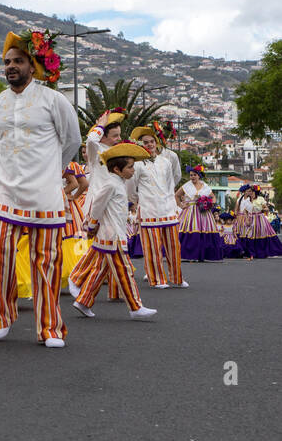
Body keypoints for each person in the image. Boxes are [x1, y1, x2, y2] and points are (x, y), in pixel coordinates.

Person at [0, 32, 81, 347]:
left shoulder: (55, 100)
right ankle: (1, 316)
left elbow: (72, 141)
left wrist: (50, 171)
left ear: (33, 65)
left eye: (18, 61)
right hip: (3, 191)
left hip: (45, 193)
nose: (11, 67)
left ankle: (49, 328)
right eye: (7, 62)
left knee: (47, 261)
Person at [69, 143, 158, 320]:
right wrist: (92, 226)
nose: (133, 170)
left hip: (112, 234)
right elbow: (96, 207)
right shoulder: (111, 184)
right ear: (117, 169)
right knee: (124, 270)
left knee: (100, 270)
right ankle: (135, 306)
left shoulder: (118, 183)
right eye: (130, 167)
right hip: (112, 235)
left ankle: (83, 301)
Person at [129, 122, 185, 288]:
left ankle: (177, 277)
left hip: (167, 207)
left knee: (174, 246)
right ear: (141, 145)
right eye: (145, 142)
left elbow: (171, 182)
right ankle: (157, 279)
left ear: (156, 142)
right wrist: (138, 200)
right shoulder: (137, 164)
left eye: (151, 141)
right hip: (149, 209)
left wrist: (170, 201)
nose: (149, 144)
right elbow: (131, 187)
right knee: (152, 248)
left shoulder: (165, 162)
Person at [176, 164, 225, 262]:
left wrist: (210, 202)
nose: (192, 177)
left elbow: (213, 197)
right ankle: (190, 254)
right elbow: (176, 195)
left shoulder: (205, 186)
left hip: (203, 212)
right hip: (190, 212)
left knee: (204, 231)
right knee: (191, 229)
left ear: (199, 175)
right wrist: (181, 206)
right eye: (191, 175)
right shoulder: (186, 186)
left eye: (194, 175)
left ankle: (203, 254)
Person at [236, 184, 282, 258]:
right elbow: (245, 211)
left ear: (255, 192)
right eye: (249, 191)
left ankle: (261, 252)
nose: (250, 193)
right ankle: (251, 253)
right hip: (251, 218)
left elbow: (266, 209)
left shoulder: (260, 199)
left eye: (251, 191)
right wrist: (247, 219)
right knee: (249, 235)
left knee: (260, 234)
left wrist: (262, 209)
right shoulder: (247, 200)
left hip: (259, 218)